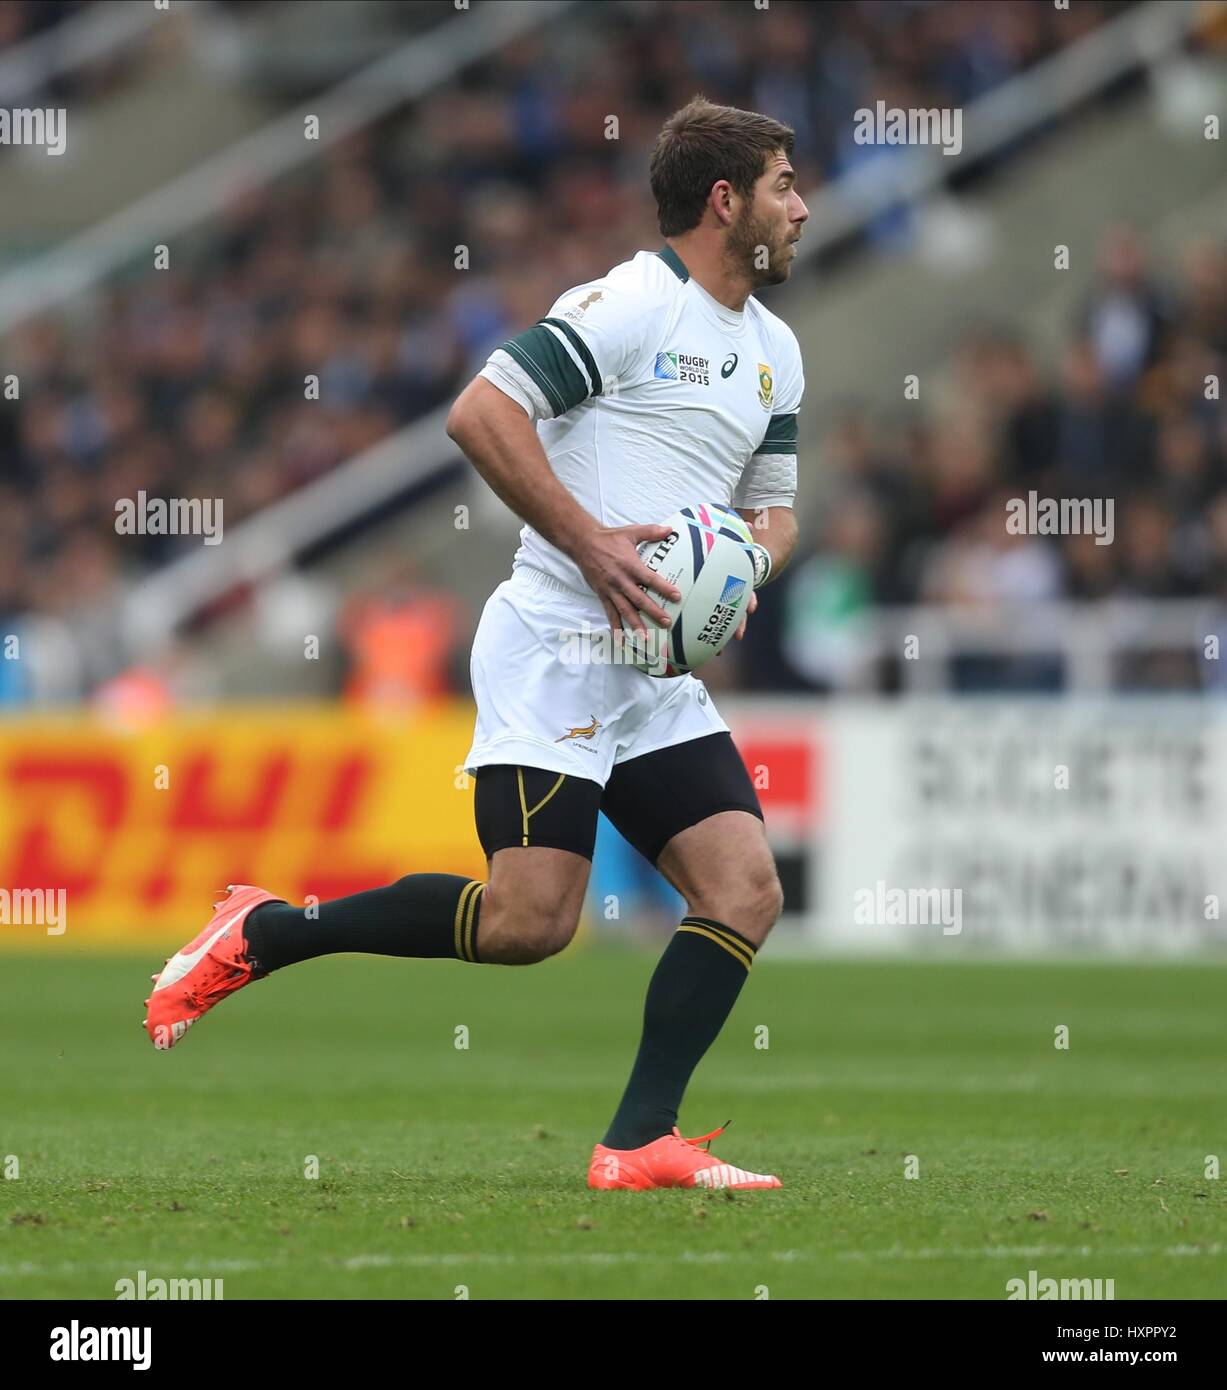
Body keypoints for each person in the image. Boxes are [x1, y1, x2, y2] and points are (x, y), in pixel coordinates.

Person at [143, 96, 807, 1192]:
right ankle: (267, 930)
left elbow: (776, 510)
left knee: (743, 888)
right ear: (725, 200)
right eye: (785, 185)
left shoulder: (776, 350)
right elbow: (481, 412)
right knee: (527, 923)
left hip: (656, 669)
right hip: (555, 647)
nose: (803, 207)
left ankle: (640, 1139)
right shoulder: (632, 304)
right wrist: (593, 546)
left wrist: (736, 578)